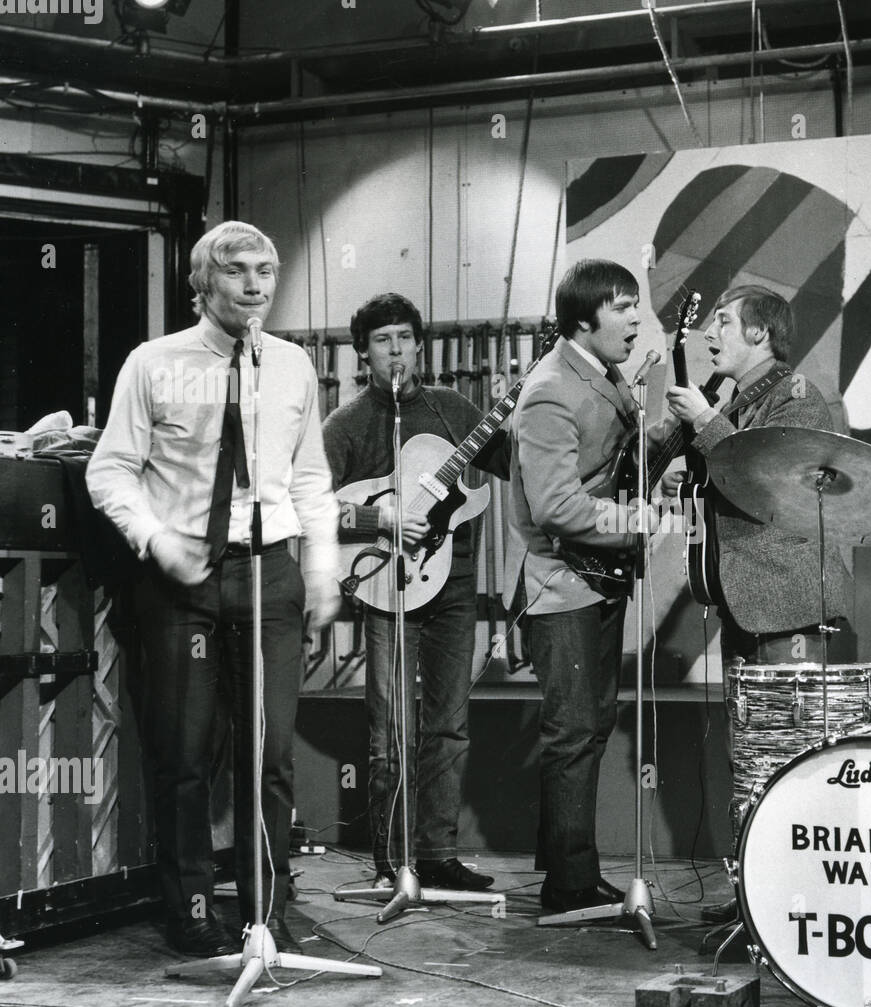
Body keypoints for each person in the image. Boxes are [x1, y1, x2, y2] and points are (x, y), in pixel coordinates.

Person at [86, 220, 339, 958]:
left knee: (272, 754)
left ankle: (267, 909)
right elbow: (109, 469)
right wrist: (155, 537)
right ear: (203, 283)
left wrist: (320, 568)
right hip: (185, 574)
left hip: (271, 568)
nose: (256, 282)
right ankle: (192, 907)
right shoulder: (154, 362)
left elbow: (311, 475)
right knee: (186, 754)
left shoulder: (291, 365)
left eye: (267, 267)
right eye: (237, 269)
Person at [662, 284, 853, 923]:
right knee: (755, 755)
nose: (709, 334)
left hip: (790, 603)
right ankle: (761, 899)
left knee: (793, 754)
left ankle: (803, 906)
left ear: (760, 335)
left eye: (722, 321)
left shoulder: (797, 399)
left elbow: (766, 479)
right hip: (750, 602)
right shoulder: (740, 399)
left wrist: (706, 426)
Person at [322, 292, 507, 892]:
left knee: (450, 725)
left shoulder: (454, 408)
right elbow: (315, 510)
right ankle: (390, 859)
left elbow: (510, 462)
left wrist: (530, 413)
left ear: (420, 345)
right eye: (383, 340)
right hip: (386, 588)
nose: (396, 350)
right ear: (362, 353)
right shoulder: (346, 425)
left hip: (453, 584)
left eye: (405, 337)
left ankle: (435, 854)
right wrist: (382, 524)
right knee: (391, 730)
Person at [503, 258, 660, 914]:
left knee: (591, 724)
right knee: (574, 730)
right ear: (582, 318)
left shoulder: (603, 375)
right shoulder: (549, 389)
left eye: (635, 306)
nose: (635, 319)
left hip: (595, 581)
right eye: (622, 307)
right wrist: (638, 520)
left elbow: (616, 461)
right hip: (561, 587)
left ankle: (566, 868)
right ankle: (567, 887)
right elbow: (557, 508)